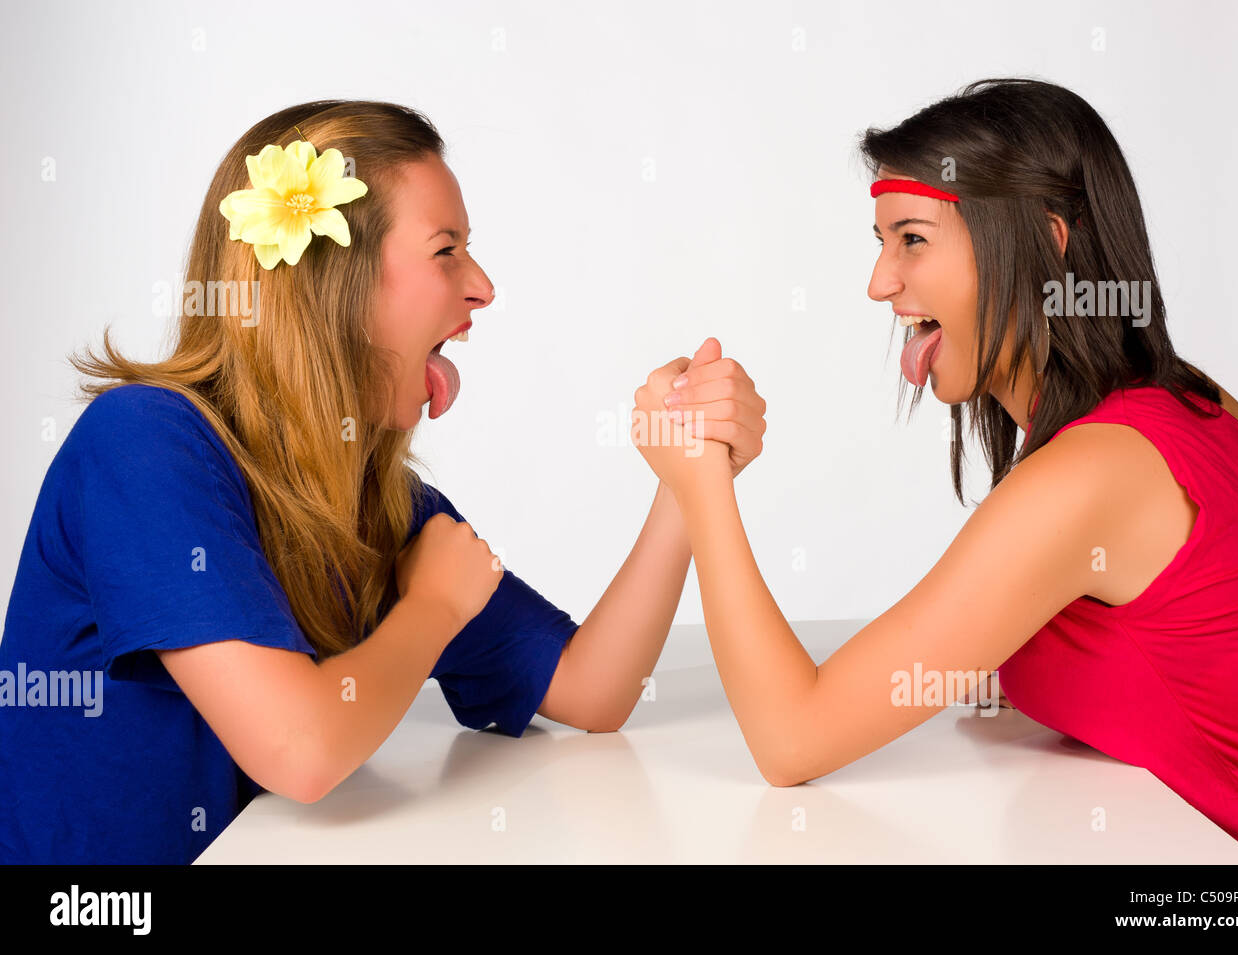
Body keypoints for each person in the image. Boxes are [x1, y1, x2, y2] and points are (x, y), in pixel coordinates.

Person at [0, 99, 767, 864]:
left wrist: (688, 478)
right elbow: (300, 751)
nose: (483, 287)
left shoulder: (375, 500)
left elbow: (594, 688)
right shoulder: (141, 444)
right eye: (447, 250)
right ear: (335, 285)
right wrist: (432, 606)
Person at [632, 78, 1238, 864]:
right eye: (881, 243)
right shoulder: (1187, 400)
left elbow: (791, 738)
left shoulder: (1093, 474)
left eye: (912, 239)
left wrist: (700, 478)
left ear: (1045, 242)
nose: (880, 282)